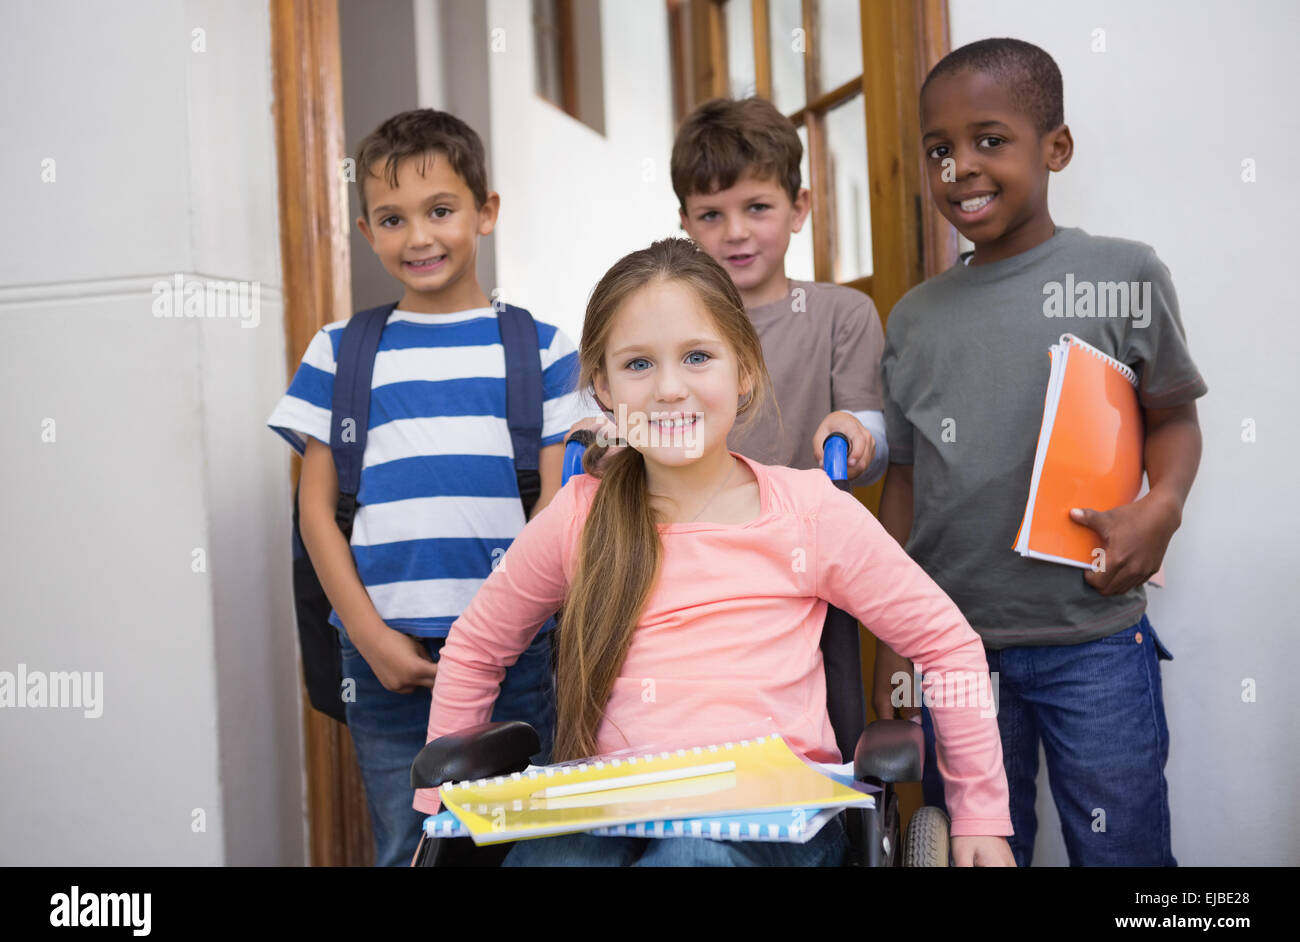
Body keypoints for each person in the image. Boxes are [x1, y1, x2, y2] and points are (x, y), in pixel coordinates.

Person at [413, 237, 1014, 867]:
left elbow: (946, 643)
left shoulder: (808, 511)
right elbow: (476, 649)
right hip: (612, 807)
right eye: (638, 365)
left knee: (690, 857)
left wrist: (979, 814)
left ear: (745, 368)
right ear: (603, 388)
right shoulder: (580, 517)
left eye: (697, 356)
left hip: (782, 819)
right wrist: (436, 811)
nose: (670, 389)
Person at [874, 38, 1205, 867]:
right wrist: (895, 650)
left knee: (1124, 854)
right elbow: (907, 479)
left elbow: (1172, 416)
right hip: (953, 653)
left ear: (1055, 147)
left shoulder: (1123, 273)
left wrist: (1160, 509)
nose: (961, 168)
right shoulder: (914, 317)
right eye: (939, 150)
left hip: (1093, 638)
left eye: (990, 140)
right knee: (980, 852)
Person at [268, 109, 585, 866]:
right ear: (365, 229)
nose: (418, 237)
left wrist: (504, 633)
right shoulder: (340, 350)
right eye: (391, 219)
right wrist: (371, 639)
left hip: (514, 655)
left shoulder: (540, 348)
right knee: (412, 846)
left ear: (485, 213)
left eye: (440, 211)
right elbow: (316, 513)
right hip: (386, 666)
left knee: (519, 843)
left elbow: (560, 505)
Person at [569, 97, 888, 484]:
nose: (736, 232)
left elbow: (873, 445)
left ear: (799, 207)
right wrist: (609, 444)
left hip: (803, 533)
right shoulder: (655, 318)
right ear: (685, 222)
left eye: (757, 207)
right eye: (711, 215)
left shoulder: (844, 314)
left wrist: (854, 433)